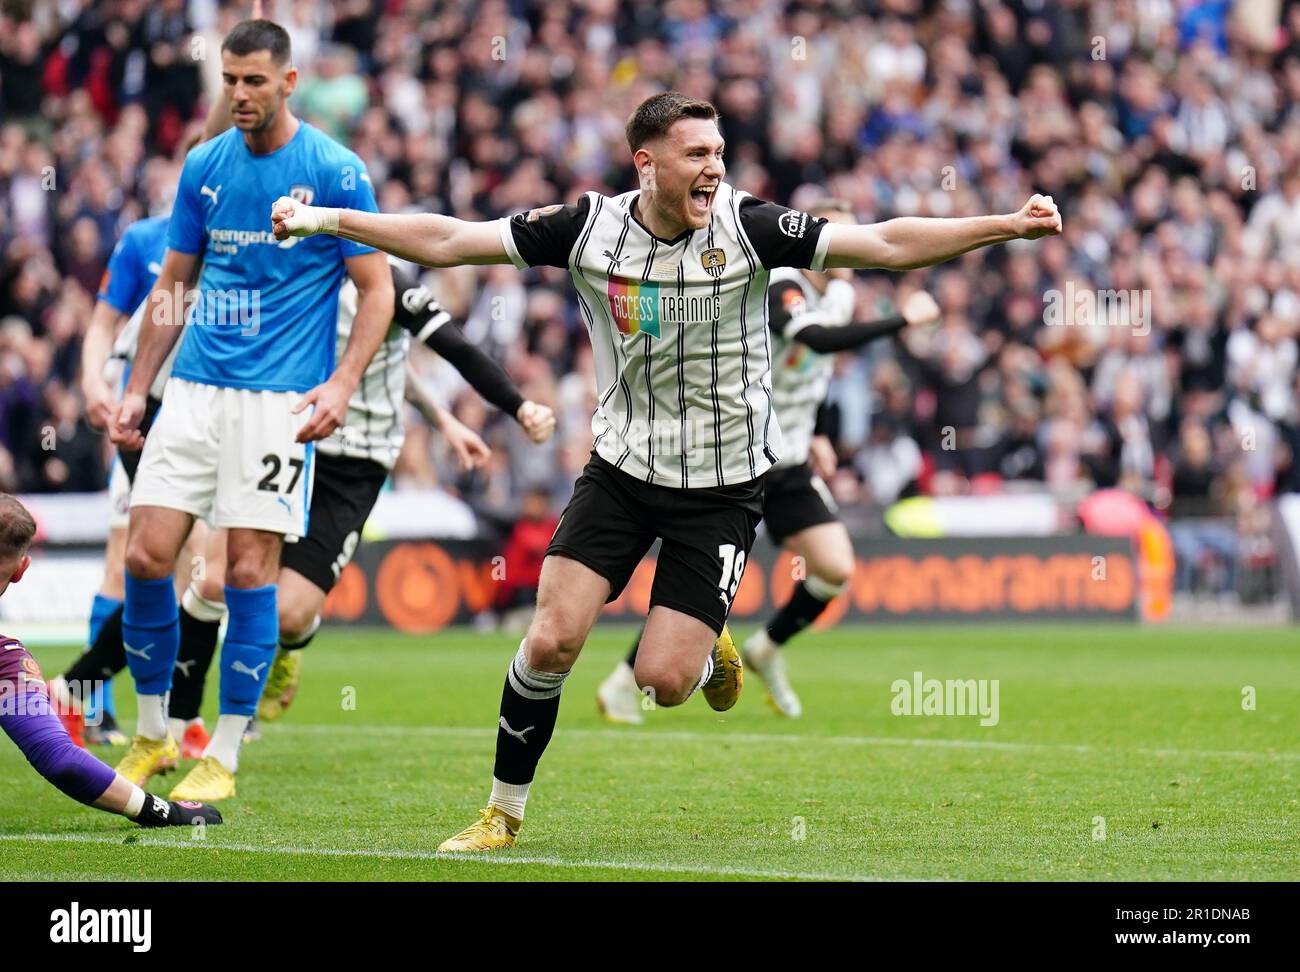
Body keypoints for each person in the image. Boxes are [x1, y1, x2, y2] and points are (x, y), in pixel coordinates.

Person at [270, 91, 1061, 851]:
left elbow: (884, 245)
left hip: (721, 489)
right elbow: (449, 240)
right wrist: (327, 220)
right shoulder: (587, 229)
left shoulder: (752, 227)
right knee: (550, 642)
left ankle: (707, 643)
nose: (714, 168)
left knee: (665, 682)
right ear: (646, 163)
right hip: (620, 473)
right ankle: (501, 814)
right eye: (696, 154)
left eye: (719, 152)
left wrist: (1004, 226)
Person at [108, 18, 394, 802]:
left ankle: (225, 753)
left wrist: (341, 385)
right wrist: (137, 387)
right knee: (146, 555)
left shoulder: (335, 171)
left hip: (276, 403)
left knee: (245, 569)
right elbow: (173, 283)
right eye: (230, 79)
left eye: (254, 80)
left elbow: (378, 290)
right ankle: (153, 734)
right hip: (194, 390)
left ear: (288, 82)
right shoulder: (204, 165)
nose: (239, 93)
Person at [163, 257, 556, 740]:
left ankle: (286, 649)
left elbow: (453, 348)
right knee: (213, 580)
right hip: (286, 441)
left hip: (354, 464)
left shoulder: (389, 282)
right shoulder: (288, 272)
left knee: (288, 615)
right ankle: (186, 725)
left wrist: (516, 407)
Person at [597, 200, 942, 722]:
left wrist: (820, 433)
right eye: (836, 234)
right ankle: (625, 682)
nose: (846, 248)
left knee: (834, 568)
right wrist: (903, 320)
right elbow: (815, 340)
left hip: (792, 459)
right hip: (743, 455)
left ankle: (765, 648)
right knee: (702, 587)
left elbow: (817, 372)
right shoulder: (782, 286)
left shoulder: (841, 294)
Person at [0, 494, 221, 828]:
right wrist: (164, 810)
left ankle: (78, 698)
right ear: (22, 569)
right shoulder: (5, 662)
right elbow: (61, 760)